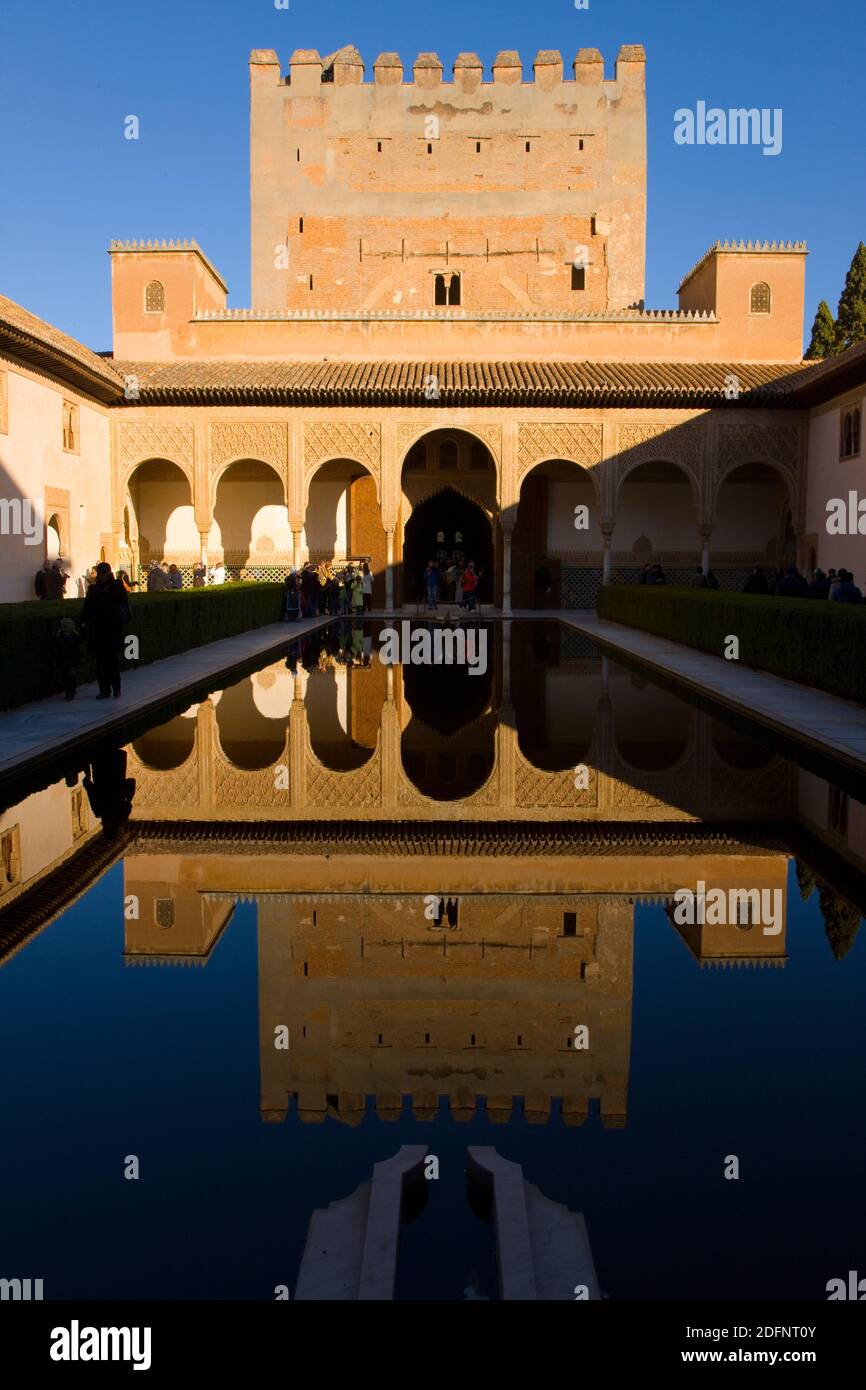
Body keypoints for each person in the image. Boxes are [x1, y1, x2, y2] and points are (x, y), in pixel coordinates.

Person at [80, 561, 130, 699]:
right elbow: (87, 608)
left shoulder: (116, 586)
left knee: (112, 662)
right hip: (98, 631)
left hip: (112, 630)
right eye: (101, 574)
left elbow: (122, 600)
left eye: (104, 574)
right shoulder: (93, 589)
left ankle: (116, 688)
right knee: (101, 663)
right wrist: (84, 622)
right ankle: (104, 690)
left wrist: (115, 583)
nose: (102, 577)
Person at [55, 616, 82, 701]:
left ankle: (70, 693)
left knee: (70, 677)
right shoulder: (60, 638)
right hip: (64, 660)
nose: (66, 634)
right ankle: (69, 692)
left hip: (71, 660)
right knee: (66, 677)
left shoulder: (74, 637)